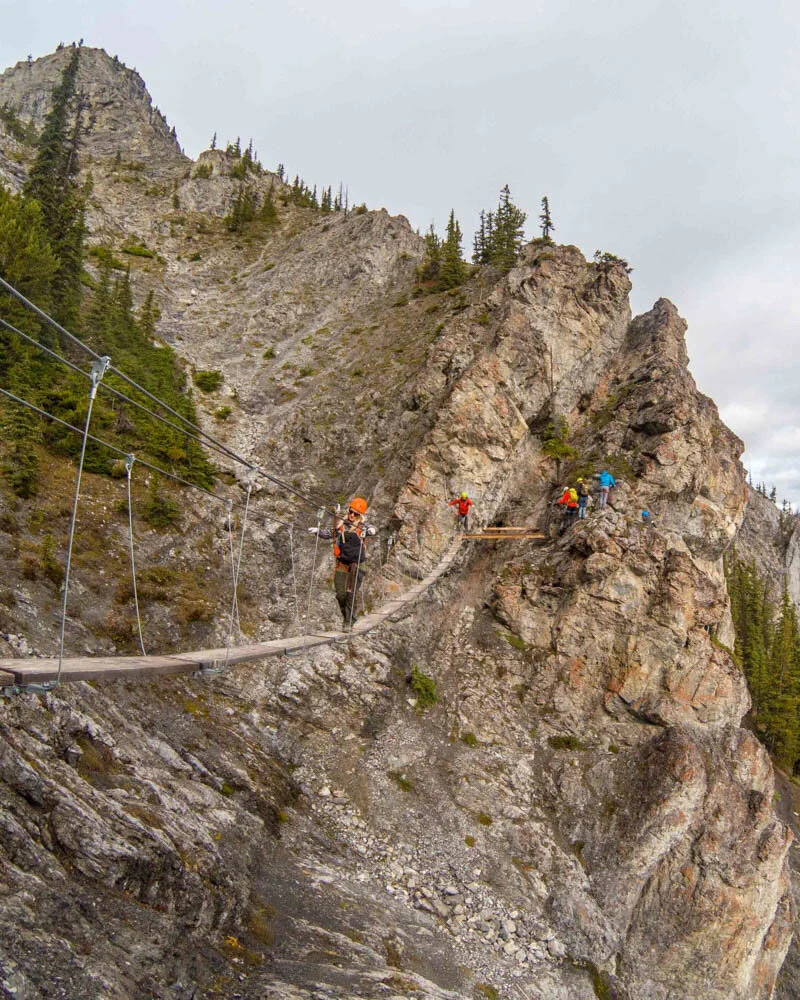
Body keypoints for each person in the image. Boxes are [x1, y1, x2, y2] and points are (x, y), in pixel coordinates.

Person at [309, 497, 375, 629]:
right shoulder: (342, 525)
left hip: (357, 565)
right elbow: (331, 534)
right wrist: (318, 532)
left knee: (351, 593)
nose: (352, 515)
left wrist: (371, 531)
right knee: (340, 594)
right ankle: (349, 617)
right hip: (343, 563)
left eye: (355, 514)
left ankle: (348, 622)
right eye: (351, 512)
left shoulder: (362, 527)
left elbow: (372, 528)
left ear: (360, 515)